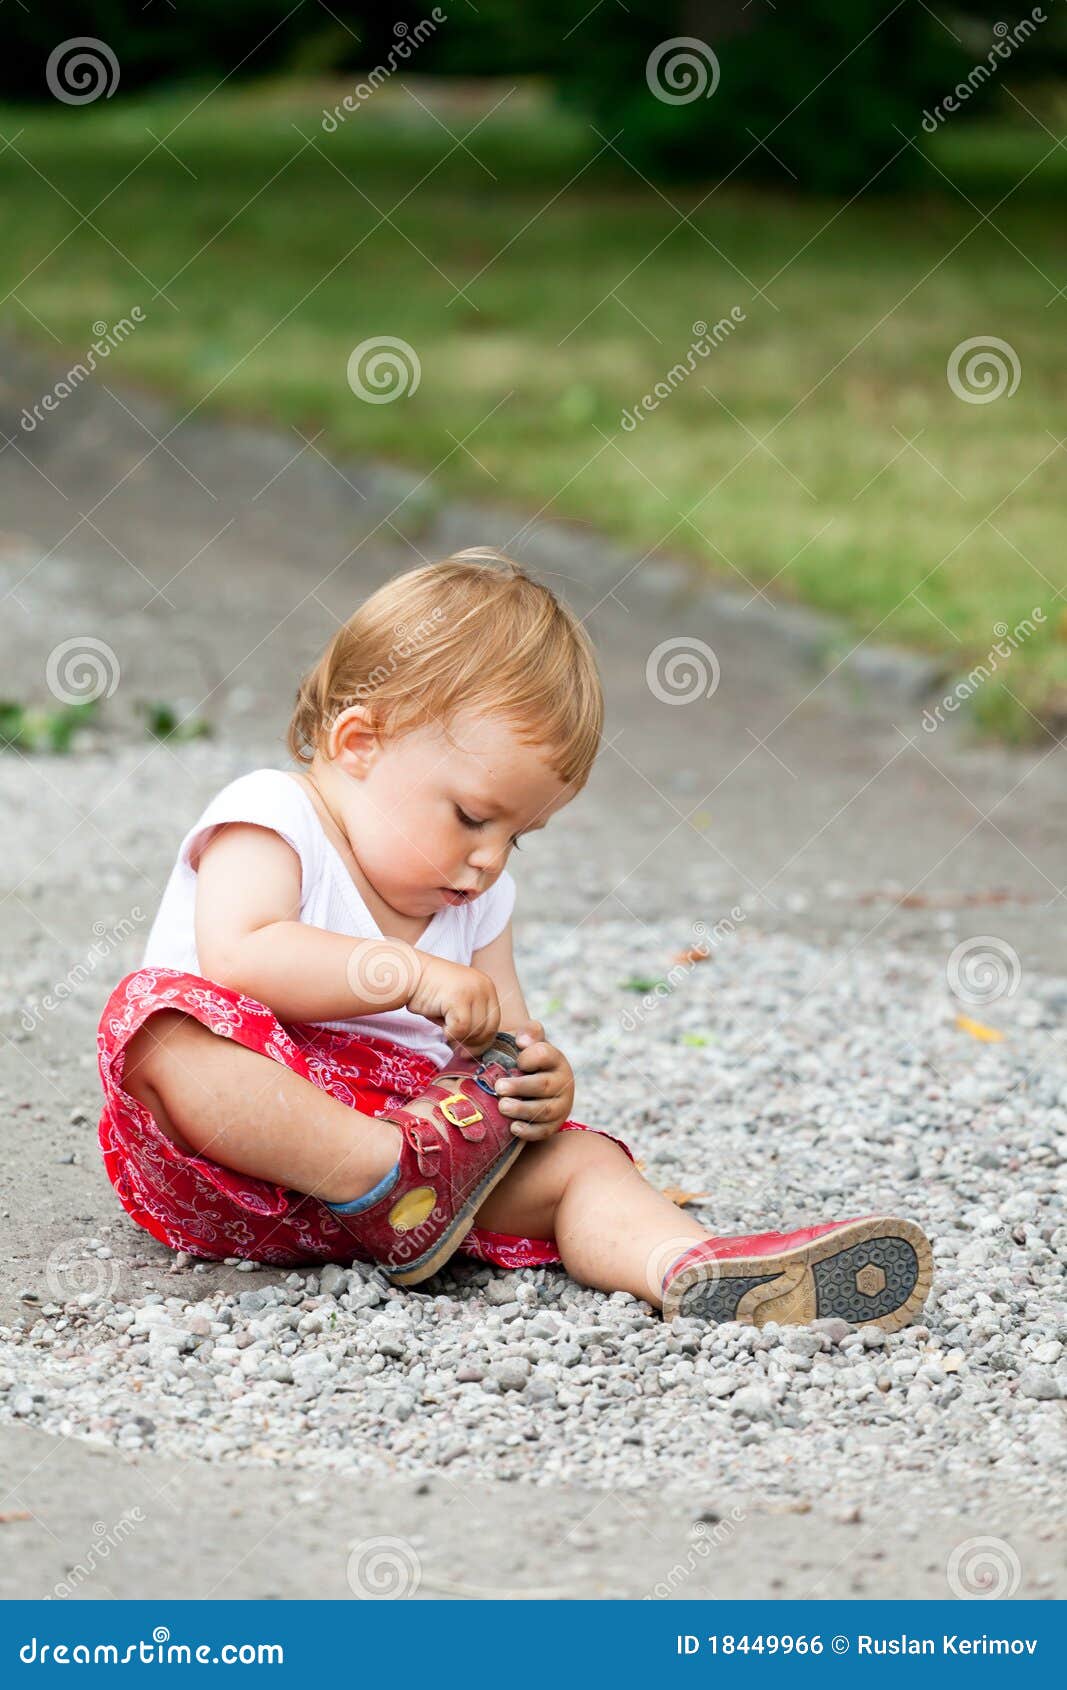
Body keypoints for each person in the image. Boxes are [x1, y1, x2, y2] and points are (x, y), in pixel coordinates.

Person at [96, 549, 932, 1328]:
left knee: (585, 1166)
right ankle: (372, 1176)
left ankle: (691, 1270)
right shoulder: (276, 817)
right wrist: (406, 974)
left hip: (427, 1188)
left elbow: (502, 1042)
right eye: (470, 817)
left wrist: (535, 1081)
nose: (489, 860)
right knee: (158, 1025)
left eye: (518, 836)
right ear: (358, 744)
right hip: (239, 1166)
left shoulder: (476, 903)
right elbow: (241, 954)